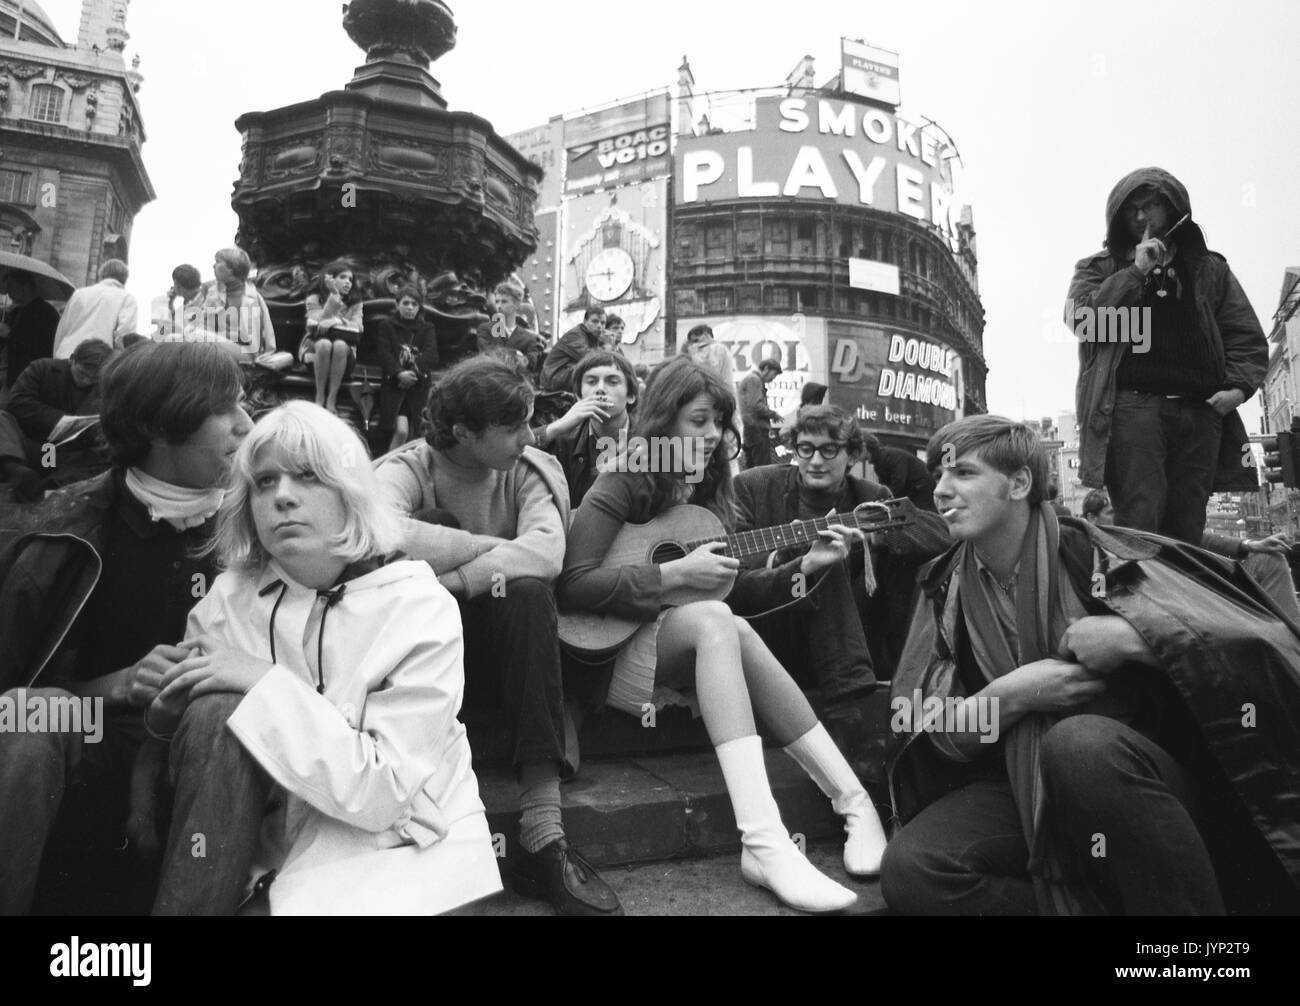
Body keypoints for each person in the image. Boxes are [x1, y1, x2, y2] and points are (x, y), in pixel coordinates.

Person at [880, 415, 1300, 915]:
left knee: (1079, 744)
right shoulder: (940, 585)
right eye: (938, 477)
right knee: (915, 868)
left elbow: (1267, 648)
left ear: (1019, 483)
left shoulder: (1105, 556)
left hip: (1150, 791)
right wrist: (1016, 694)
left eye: (963, 474)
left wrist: (1135, 638)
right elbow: (932, 734)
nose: (943, 492)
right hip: (1020, 784)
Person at [558, 356, 889, 913]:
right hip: (601, 652)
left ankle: (855, 802)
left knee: (725, 621)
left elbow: (727, 592)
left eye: (719, 422)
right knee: (716, 623)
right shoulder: (625, 473)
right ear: (663, 420)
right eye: (698, 420)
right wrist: (670, 576)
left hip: (673, 638)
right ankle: (764, 841)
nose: (712, 435)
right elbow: (572, 585)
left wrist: (804, 567)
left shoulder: (709, 486)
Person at [147, 402, 501, 915]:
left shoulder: (418, 606)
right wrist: (164, 718)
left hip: (403, 851)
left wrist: (265, 683)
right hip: (270, 850)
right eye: (264, 483)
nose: (283, 496)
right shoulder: (226, 599)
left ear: (350, 492)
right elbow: (202, 760)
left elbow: (385, 791)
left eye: (308, 477)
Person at [0, 342, 251, 914]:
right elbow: (4, 706)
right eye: (225, 410)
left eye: (244, 405)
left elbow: (375, 529)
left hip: (207, 747)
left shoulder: (268, 517)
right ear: (161, 425)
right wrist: (114, 686)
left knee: (221, 715)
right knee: (24, 717)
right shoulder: (58, 534)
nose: (245, 426)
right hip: (89, 734)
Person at [374, 355, 622, 917]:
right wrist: (482, 548)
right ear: (463, 432)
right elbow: (376, 528)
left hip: (509, 658)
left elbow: (547, 552)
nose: (530, 438)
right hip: (421, 664)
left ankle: (543, 831)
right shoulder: (407, 468)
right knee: (443, 522)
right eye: (513, 428)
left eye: (530, 422)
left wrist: (458, 580)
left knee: (528, 589)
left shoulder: (529, 469)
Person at [1069, 167, 1266, 545]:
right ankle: (1140, 601)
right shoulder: (1099, 268)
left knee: (1188, 524)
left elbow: (1245, 334)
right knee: (1139, 522)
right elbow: (1085, 321)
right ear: (1118, 218)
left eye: (1152, 205)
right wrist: (1136, 271)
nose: (1142, 216)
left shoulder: (1209, 268)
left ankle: (1183, 604)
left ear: (1173, 207)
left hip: (1201, 409)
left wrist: (1239, 389)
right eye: (1132, 210)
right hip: (1133, 408)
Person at [732, 405, 950, 735]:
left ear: (851, 455)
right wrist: (792, 561)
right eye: (805, 449)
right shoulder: (754, 486)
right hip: (771, 631)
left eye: (829, 450)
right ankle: (853, 707)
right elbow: (737, 581)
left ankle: (895, 686)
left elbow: (940, 535)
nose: (815, 461)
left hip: (852, 638)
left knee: (894, 562)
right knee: (824, 560)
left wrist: (876, 538)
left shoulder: (872, 498)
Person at [1083, 487, 1300, 620]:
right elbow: (1099, 596)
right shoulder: (1095, 554)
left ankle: (1291, 645)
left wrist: (1250, 545)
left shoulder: (1142, 528)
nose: (1119, 518)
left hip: (1199, 590)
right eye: (1111, 513)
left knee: (1269, 560)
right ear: (1092, 519)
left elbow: (1195, 538)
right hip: (1171, 610)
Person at [0, 340, 114, 501]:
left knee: (106, 455)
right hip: (27, 442)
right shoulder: (42, 368)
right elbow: (18, 402)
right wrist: (59, 420)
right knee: (2, 419)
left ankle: (51, 485)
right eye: (82, 373)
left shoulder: (103, 389)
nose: (86, 380)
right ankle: (13, 468)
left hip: (63, 455)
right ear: (72, 359)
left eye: (93, 378)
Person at [535, 350, 637, 507]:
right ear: (579, 396)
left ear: (631, 395)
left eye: (612, 382)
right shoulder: (563, 441)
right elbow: (513, 453)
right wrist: (556, 427)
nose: (600, 389)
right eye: (591, 382)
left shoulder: (650, 438)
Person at [376, 285, 439, 452]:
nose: (410, 307)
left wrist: (414, 373)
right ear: (397, 304)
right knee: (401, 431)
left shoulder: (427, 328)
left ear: (419, 307)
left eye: (414, 304)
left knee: (417, 434)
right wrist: (399, 374)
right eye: (405, 303)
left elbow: (431, 354)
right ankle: (387, 466)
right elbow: (384, 353)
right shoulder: (387, 326)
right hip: (394, 386)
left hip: (418, 386)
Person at [197, 247, 276, 362]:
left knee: (196, 335)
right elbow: (201, 323)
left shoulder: (251, 298)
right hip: (218, 345)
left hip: (246, 352)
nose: (213, 266)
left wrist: (216, 335)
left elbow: (248, 337)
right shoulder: (214, 293)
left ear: (232, 268)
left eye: (218, 262)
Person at [51, 259, 138, 360]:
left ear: (102, 275)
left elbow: (62, 329)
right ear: (124, 280)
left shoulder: (79, 293)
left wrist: (56, 358)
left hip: (66, 356)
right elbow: (124, 336)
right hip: (97, 362)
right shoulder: (126, 298)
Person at [477, 276, 547, 383]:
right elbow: (489, 355)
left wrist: (502, 355)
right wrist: (517, 354)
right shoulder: (485, 330)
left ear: (517, 305)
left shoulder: (531, 339)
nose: (499, 306)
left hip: (517, 389)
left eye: (504, 302)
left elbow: (530, 366)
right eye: (497, 301)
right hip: (490, 384)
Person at [0, 270, 60, 391]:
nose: (7, 292)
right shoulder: (17, 311)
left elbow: (39, 347)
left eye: (11, 287)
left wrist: (9, 334)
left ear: (26, 287)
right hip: (14, 377)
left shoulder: (46, 313)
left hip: (31, 380)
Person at [861, 433, 937, 511]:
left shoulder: (890, 457)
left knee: (921, 515)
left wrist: (887, 501)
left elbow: (899, 482)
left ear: (867, 448)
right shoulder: (879, 463)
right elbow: (887, 487)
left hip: (922, 487)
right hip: (915, 488)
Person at [541, 306, 605, 393]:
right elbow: (589, 358)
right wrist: (607, 347)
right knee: (591, 366)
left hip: (562, 376)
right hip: (553, 378)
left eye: (603, 323)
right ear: (585, 321)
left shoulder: (592, 337)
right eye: (595, 321)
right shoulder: (575, 334)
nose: (599, 326)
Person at [737, 355, 783, 469]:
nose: (774, 378)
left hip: (750, 429)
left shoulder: (749, 379)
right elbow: (755, 405)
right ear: (766, 369)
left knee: (751, 469)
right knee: (762, 469)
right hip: (757, 430)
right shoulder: (754, 379)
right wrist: (774, 414)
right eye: (774, 374)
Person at [150, 264, 207, 341]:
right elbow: (176, 322)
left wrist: (176, 329)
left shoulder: (204, 302)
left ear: (177, 285)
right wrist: (170, 303)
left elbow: (194, 333)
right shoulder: (190, 300)